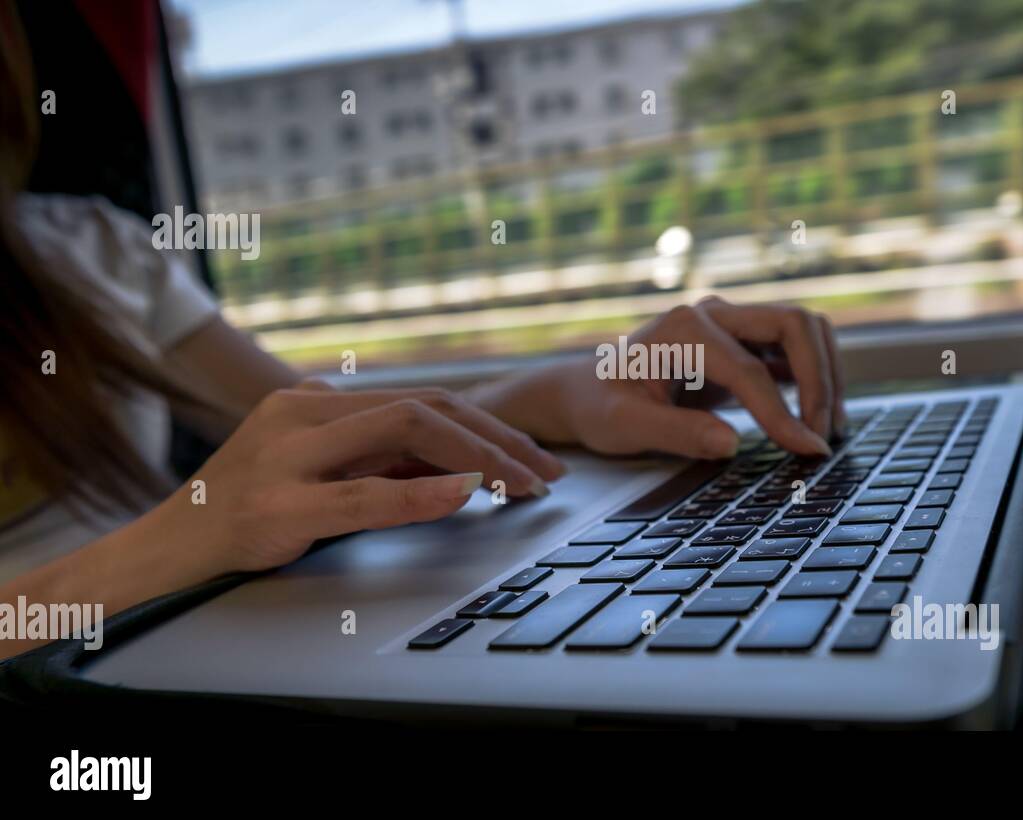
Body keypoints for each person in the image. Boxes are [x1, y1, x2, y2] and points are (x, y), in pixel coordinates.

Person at [0, 9, 845, 661]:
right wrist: (170, 542)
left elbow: (333, 436)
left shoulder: (88, 248)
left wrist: (567, 391)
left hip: (188, 644)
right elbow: (207, 520)